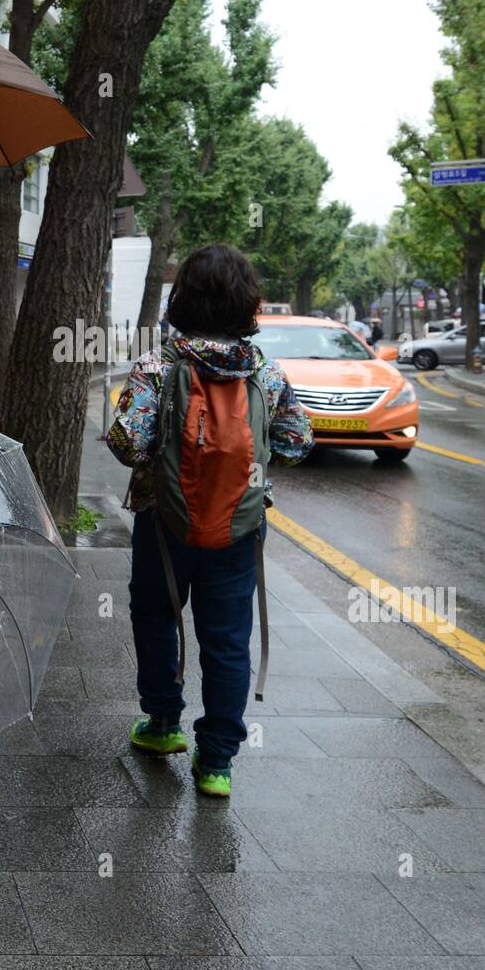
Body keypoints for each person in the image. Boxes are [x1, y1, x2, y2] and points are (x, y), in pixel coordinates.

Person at [106, 243, 313, 799]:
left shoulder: (158, 365)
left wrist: (165, 458)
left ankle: (163, 725)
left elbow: (127, 443)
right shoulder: (264, 372)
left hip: (162, 521)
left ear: (184, 298)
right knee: (226, 640)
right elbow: (297, 444)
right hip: (240, 527)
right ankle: (217, 761)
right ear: (246, 303)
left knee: (155, 617)